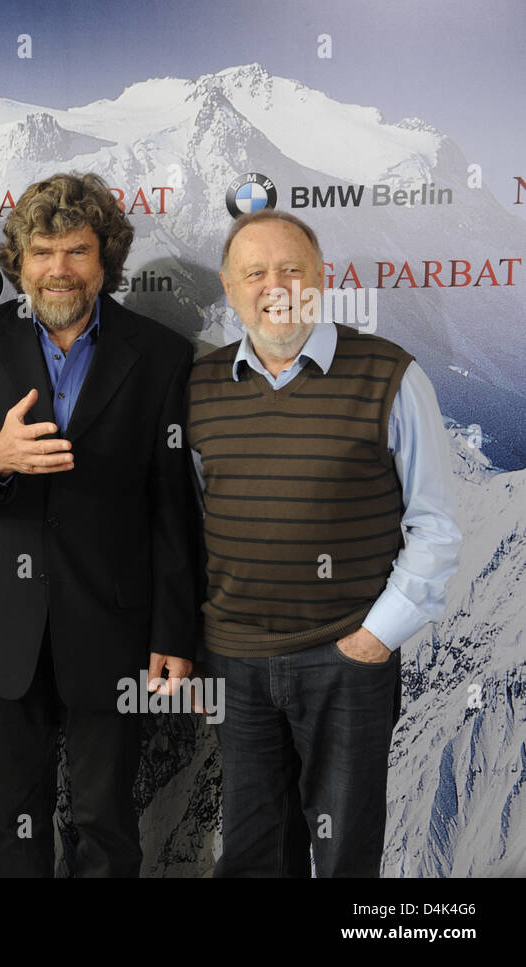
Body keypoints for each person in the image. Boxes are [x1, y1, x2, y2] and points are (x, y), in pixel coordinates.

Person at [0, 172, 198, 876]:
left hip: (111, 619)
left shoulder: (160, 356)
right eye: (42, 252)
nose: (58, 270)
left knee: (105, 819)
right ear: (18, 259)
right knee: (16, 818)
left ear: (106, 255)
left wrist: (173, 630)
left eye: (77, 251)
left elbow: (172, 504)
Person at [188, 208, 461, 876]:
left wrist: (374, 637)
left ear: (321, 278)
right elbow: (195, 521)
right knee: (255, 852)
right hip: (237, 665)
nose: (274, 285)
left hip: (345, 663)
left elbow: (435, 526)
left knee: (344, 854)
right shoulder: (200, 387)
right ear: (231, 287)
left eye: (291, 269)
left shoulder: (389, 375)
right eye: (256, 272)